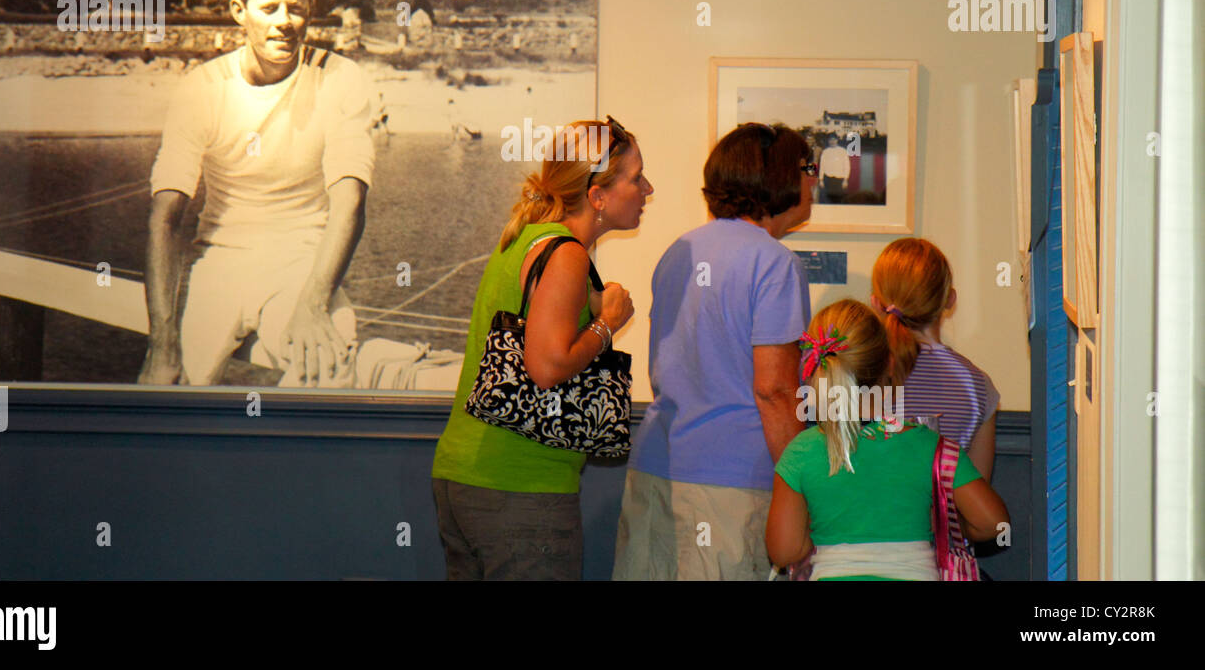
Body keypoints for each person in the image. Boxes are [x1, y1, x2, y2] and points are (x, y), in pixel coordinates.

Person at [139, 0, 375, 388]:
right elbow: (166, 218)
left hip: (301, 265)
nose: (284, 22)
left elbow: (349, 204)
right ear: (238, 11)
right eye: (268, 8)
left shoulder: (342, 80)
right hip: (219, 263)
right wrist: (161, 341)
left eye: (296, 8)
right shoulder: (201, 89)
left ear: (310, 9)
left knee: (327, 368)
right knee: (164, 390)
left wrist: (313, 304)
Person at [432, 117, 652, 580]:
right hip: (520, 489)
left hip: (465, 477)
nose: (647, 188)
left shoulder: (521, 240)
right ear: (597, 195)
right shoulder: (567, 254)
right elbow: (548, 366)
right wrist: (608, 325)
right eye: (635, 178)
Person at [612, 122, 816, 580]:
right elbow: (775, 392)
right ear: (780, 177)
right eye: (808, 168)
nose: (814, 180)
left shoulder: (679, 249)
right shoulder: (775, 263)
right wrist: (804, 491)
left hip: (656, 466)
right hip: (731, 486)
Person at [767, 299, 1009, 580]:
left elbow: (783, 552)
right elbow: (994, 523)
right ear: (890, 364)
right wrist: (942, 522)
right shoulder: (929, 446)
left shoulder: (801, 452)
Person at [871, 237, 1000, 480]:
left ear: (876, 303)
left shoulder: (859, 374)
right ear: (950, 300)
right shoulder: (978, 386)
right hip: (940, 517)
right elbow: (976, 495)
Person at [818, 133, 850, 203]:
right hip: (828, 179)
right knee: (828, 199)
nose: (832, 141)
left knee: (839, 199)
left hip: (839, 179)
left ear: (837, 140)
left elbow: (847, 166)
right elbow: (822, 166)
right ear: (828, 141)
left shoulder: (843, 151)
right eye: (830, 140)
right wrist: (821, 180)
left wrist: (845, 180)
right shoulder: (825, 152)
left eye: (834, 139)